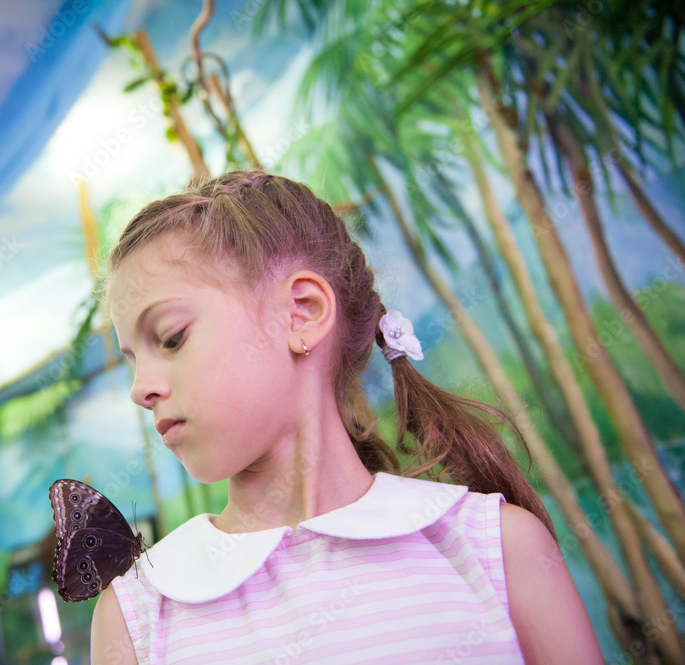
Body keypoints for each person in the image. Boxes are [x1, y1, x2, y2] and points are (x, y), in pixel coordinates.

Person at [93, 170, 603, 664]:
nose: (141, 390)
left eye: (171, 337)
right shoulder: (139, 615)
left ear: (303, 312)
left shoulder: (498, 547)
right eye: (133, 360)